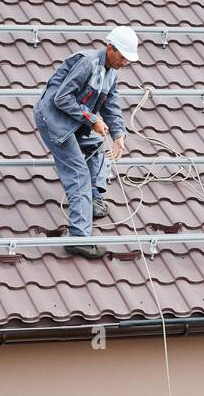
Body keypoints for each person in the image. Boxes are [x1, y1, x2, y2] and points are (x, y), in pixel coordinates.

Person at [33, 26, 140, 260]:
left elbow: (111, 106)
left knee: (96, 148)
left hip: (74, 121)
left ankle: (92, 199)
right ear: (110, 48)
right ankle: (79, 238)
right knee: (78, 174)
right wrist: (92, 120)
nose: (125, 62)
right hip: (53, 119)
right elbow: (62, 98)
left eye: (128, 59)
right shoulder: (88, 63)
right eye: (122, 57)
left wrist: (119, 135)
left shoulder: (111, 73)